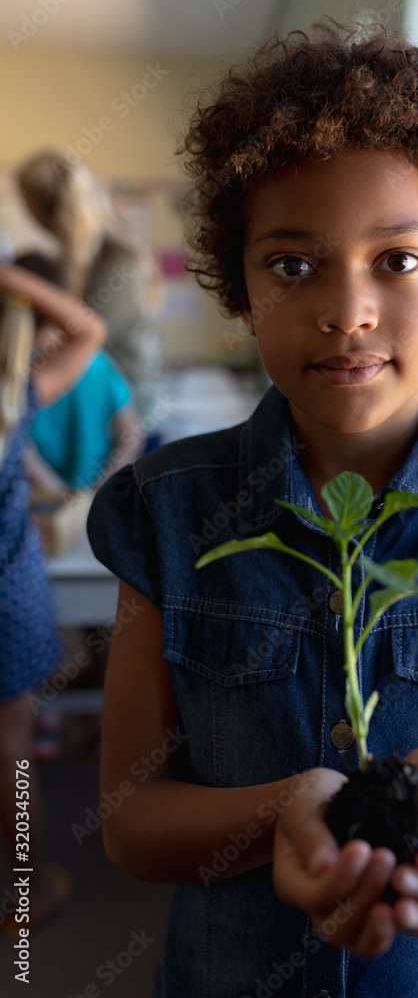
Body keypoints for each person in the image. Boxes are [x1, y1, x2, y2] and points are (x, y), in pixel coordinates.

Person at [86, 19, 418, 998]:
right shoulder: (162, 513)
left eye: (398, 261)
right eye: (292, 264)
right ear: (242, 294)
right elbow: (130, 819)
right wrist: (288, 809)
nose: (348, 310)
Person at [0, 260, 105, 930]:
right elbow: (86, 328)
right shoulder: (16, 394)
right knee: (12, 752)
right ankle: (27, 890)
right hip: (9, 593)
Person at [16, 152, 163, 428]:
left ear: (38, 210)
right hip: (99, 415)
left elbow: (81, 343)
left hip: (124, 422)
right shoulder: (80, 261)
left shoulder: (117, 266)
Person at [13, 252, 144, 495]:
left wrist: (59, 495)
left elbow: (20, 449)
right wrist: (100, 490)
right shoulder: (98, 362)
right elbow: (131, 435)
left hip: (42, 503)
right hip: (92, 503)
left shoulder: (16, 375)